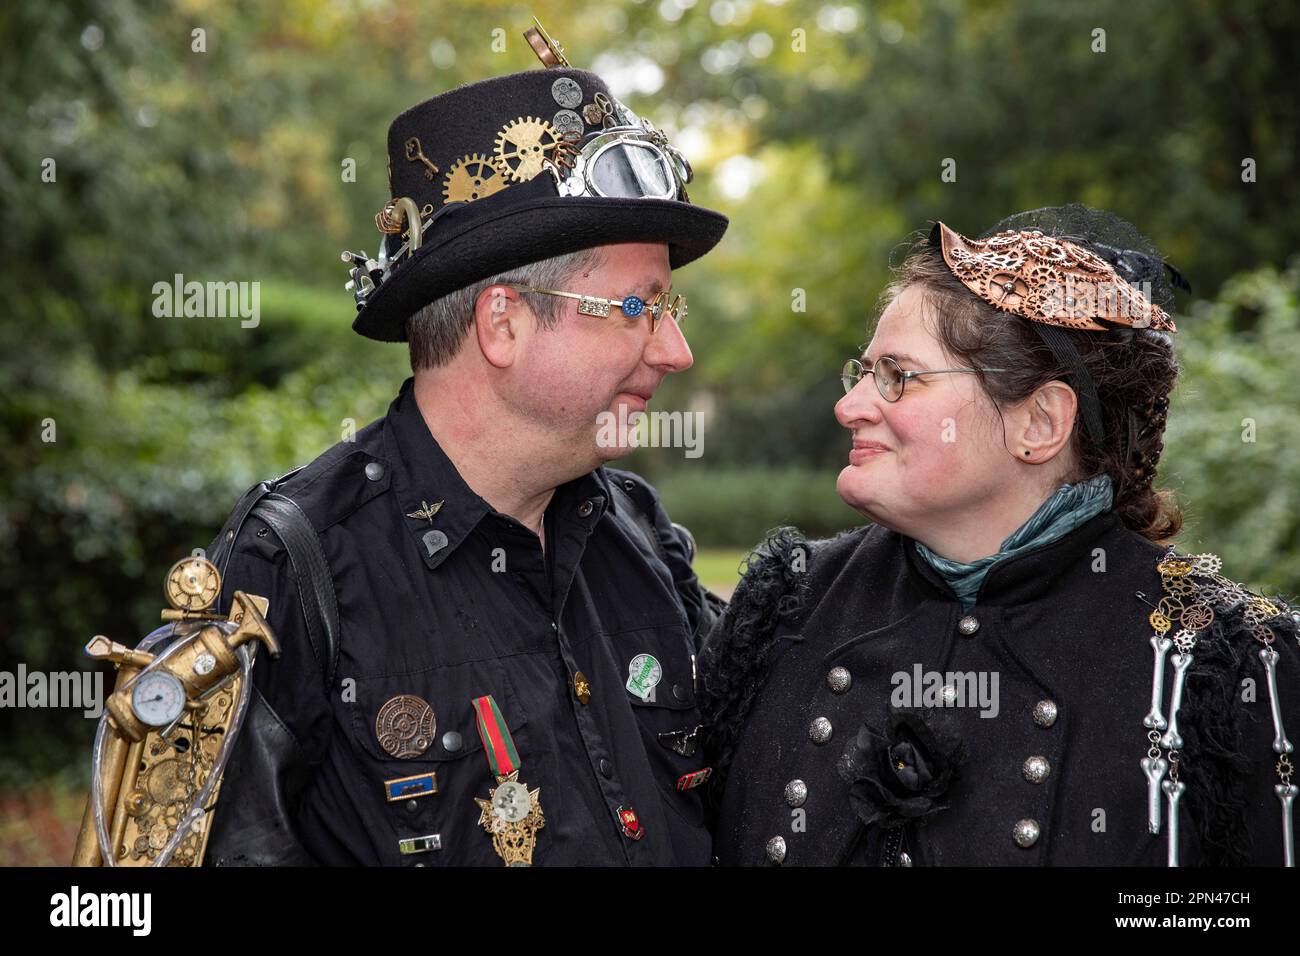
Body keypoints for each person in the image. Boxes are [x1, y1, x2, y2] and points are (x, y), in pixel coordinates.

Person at [202, 41, 727, 866]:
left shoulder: (637, 529)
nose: (675, 351)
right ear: (503, 323)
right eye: (638, 305)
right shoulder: (291, 567)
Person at [700, 205, 1300, 866]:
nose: (849, 407)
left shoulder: (1226, 667)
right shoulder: (782, 609)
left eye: (899, 377)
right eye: (863, 373)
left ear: (1039, 423)